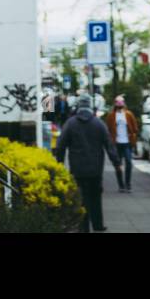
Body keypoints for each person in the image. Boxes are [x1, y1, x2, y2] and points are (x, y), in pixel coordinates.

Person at [55, 93, 119, 232]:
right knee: (95, 197)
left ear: (78, 106)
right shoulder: (98, 124)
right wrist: (116, 162)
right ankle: (98, 225)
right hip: (95, 168)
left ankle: (83, 227)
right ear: (90, 106)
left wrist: (59, 163)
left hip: (77, 169)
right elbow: (109, 144)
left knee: (81, 199)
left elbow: (60, 145)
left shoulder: (71, 123)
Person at [105, 95, 139, 191]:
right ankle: (121, 185)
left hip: (127, 142)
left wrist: (132, 135)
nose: (120, 105)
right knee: (118, 164)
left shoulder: (128, 114)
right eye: (118, 103)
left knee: (128, 162)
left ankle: (128, 184)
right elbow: (108, 129)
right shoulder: (111, 116)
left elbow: (135, 127)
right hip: (117, 143)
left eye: (121, 103)